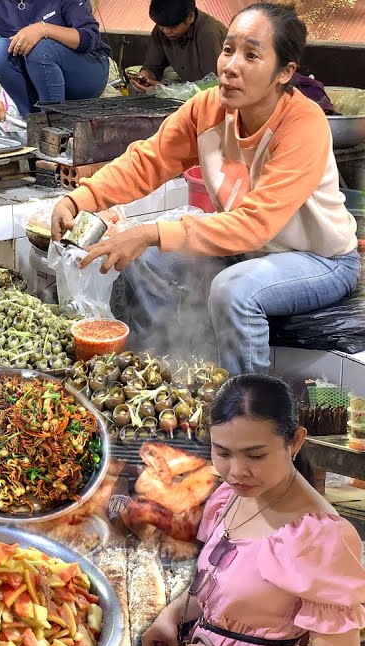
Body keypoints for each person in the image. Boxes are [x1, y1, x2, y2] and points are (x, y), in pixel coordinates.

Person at [51, 3, 359, 376]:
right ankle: (160, 376)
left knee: (233, 289)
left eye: (251, 55)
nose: (230, 66)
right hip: (246, 250)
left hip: (320, 261)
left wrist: (149, 232)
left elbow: (253, 225)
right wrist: (80, 198)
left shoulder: (303, 124)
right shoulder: (208, 108)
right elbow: (149, 160)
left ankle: (245, 412)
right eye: (228, 50)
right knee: (145, 261)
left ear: (285, 72)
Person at [142, 374, 365, 646]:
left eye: (255, 455)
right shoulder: (227, 499)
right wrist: (170, 617)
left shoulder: (320, 537)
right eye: (222, 452)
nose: (236, 471)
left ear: (295, 441)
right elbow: (216, 587)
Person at [0, 0, 111, 122]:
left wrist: (43, 29)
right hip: (40, 81)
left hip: (86, 71)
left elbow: (89, 37)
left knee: (40, 49)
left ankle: (56, 128)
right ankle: (35, 124)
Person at [131, 0, 229, 91]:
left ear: (190, 17)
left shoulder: (208, 34)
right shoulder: (163, 28)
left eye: (173, 26)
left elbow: (214, 86)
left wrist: (168, 90)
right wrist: (146, 76)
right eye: (161, 25)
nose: (166, 31)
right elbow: (153, 66)